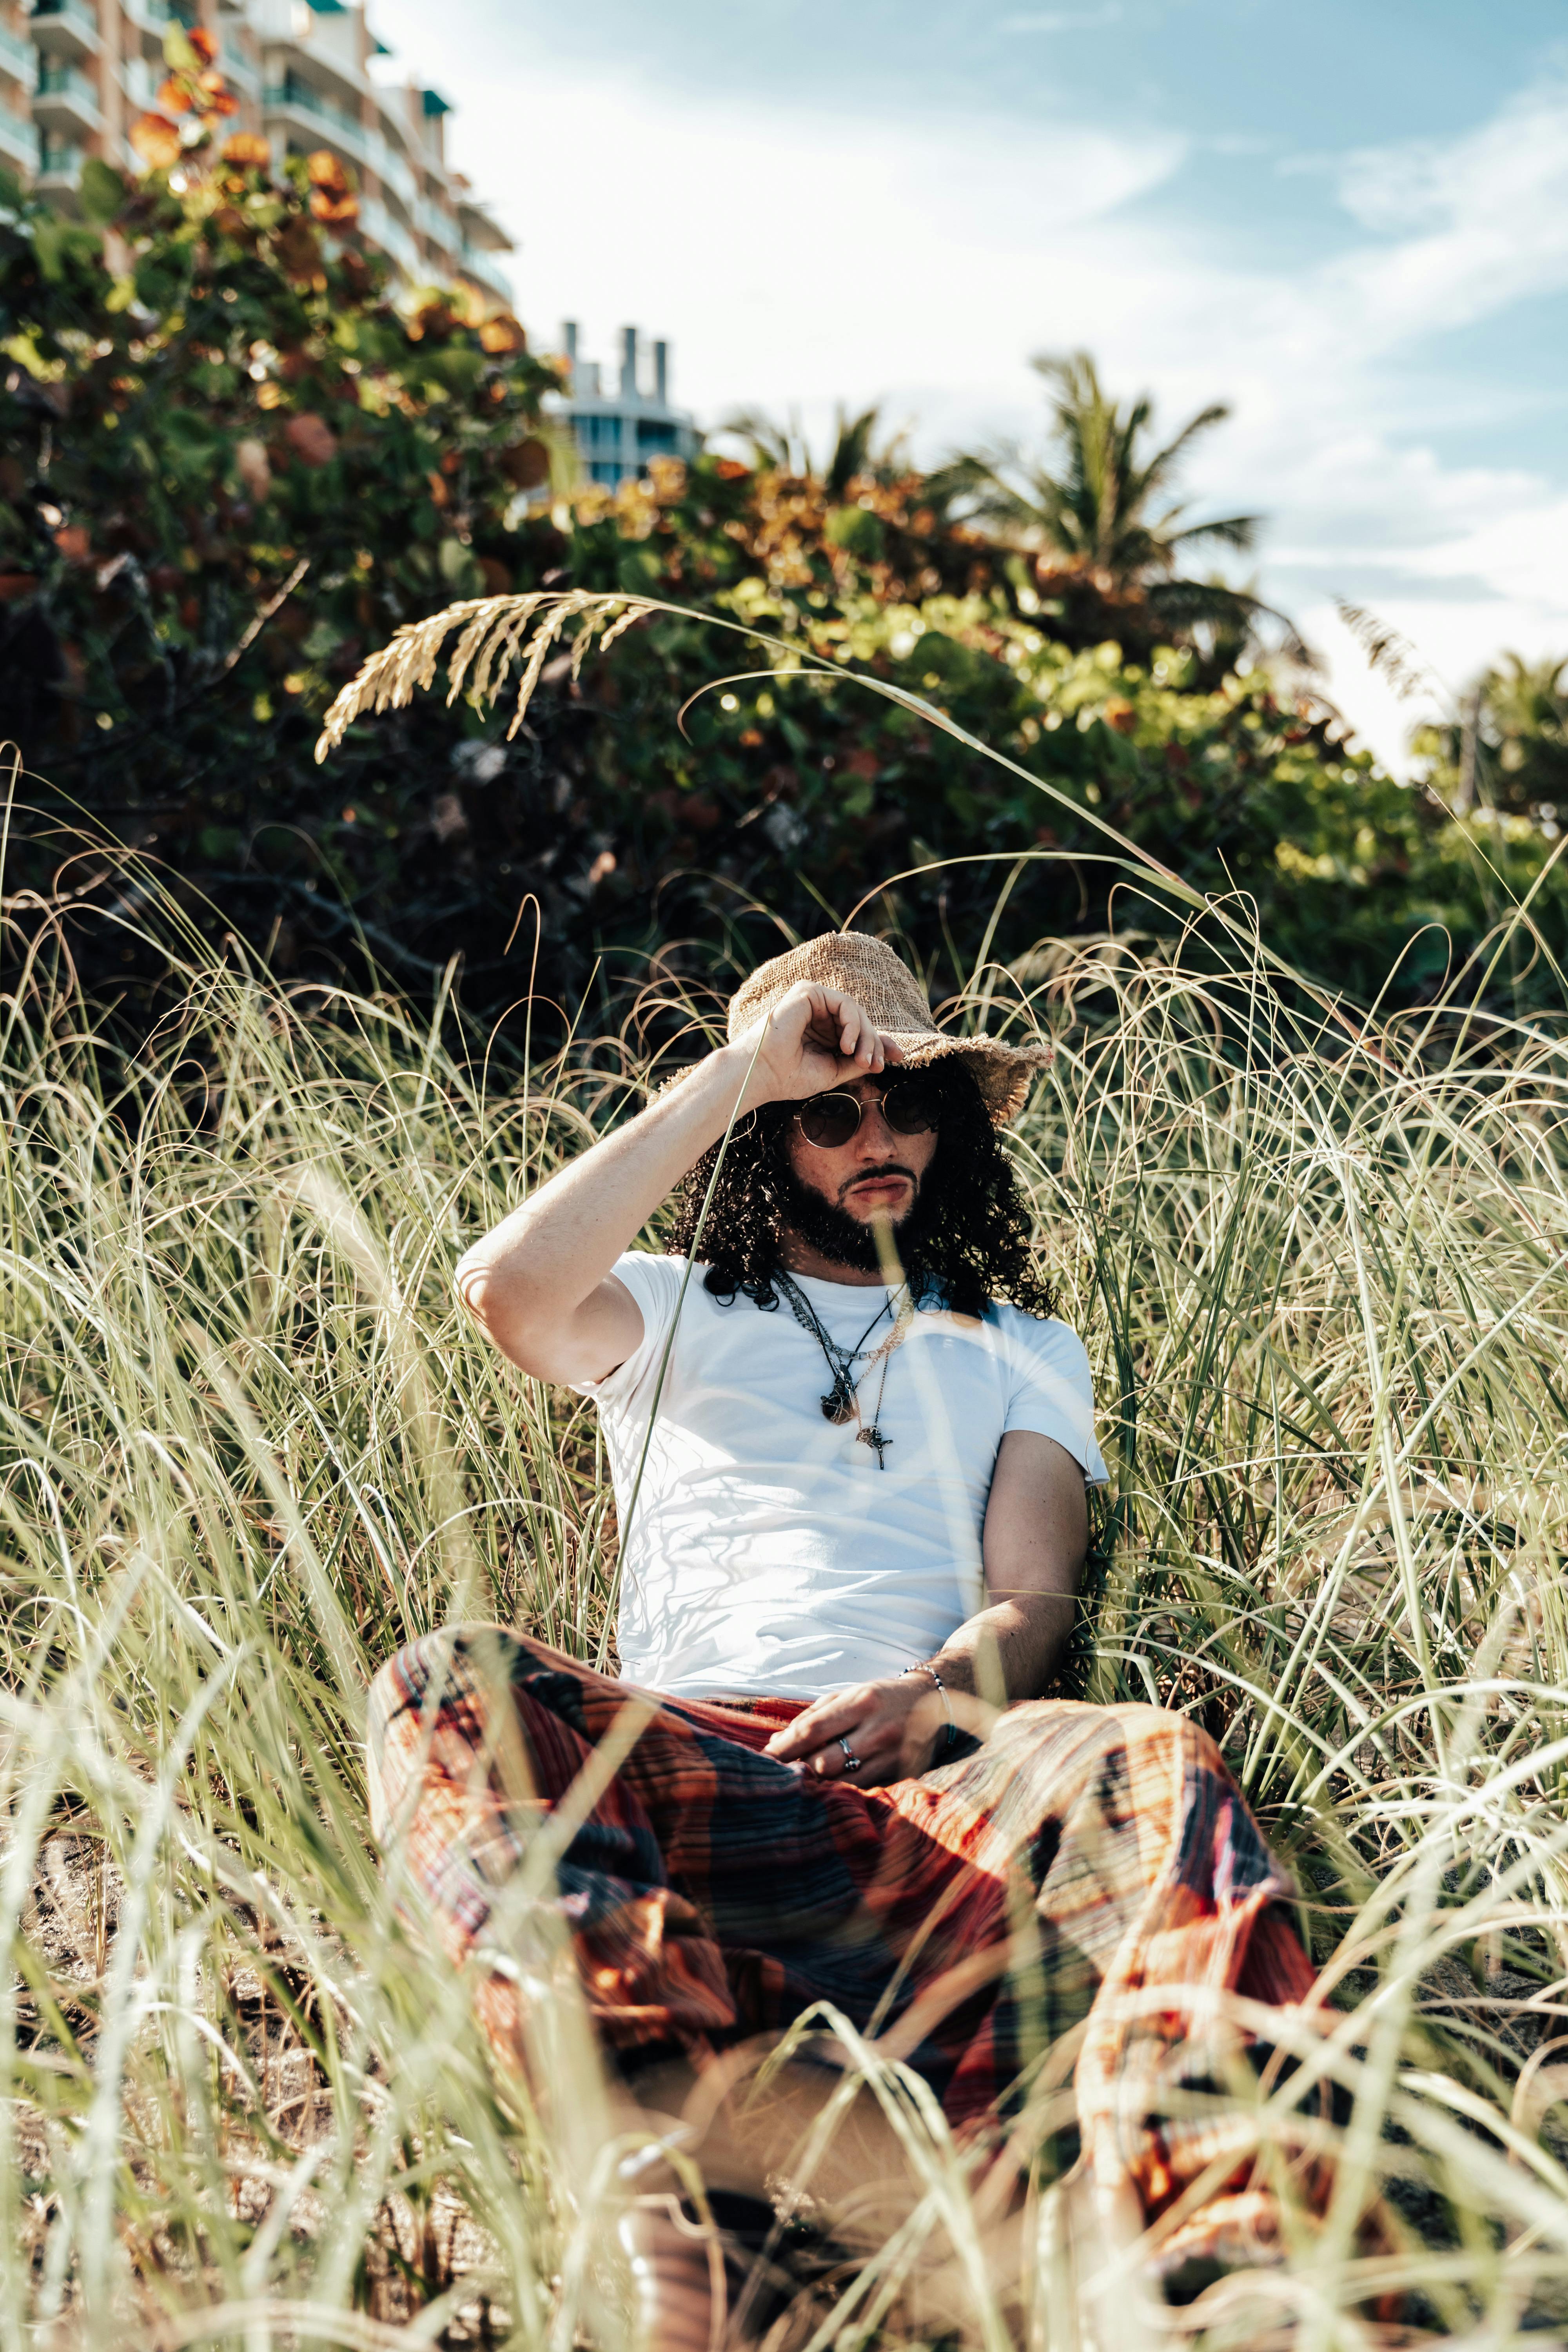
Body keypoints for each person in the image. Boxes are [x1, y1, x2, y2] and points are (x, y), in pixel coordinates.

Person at [369, 932, 1321, 2348]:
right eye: (832, 1109)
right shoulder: (673, 1309)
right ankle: (685, 2213)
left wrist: (933, 1695)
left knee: (1157, 1764)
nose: (878, 1133)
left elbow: (1034, 1600)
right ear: (769, 1139)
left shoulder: (1019, 1345)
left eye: (909, 1102)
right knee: (441, 1682)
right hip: (691, 1753)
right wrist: (743, 1072)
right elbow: (503, 1288)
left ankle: (1220, 2266)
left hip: (934, 1772)